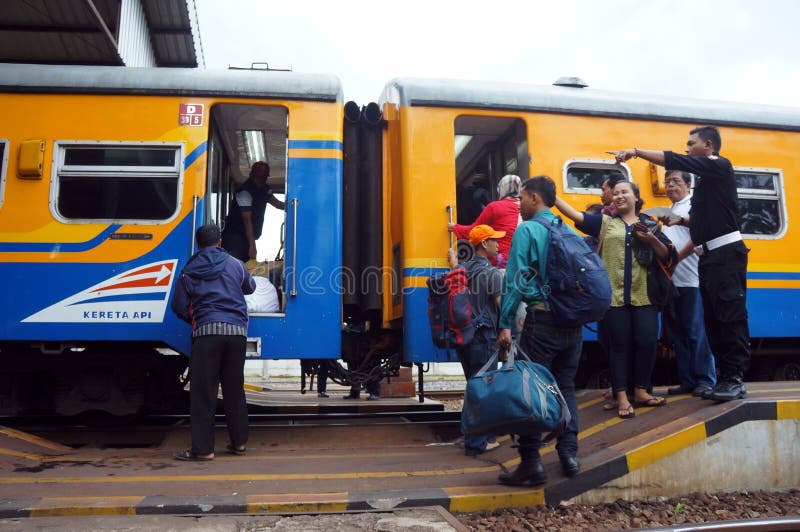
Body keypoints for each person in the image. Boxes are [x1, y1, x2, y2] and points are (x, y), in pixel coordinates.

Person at [609, 125, 750, 402]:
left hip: (725, 255)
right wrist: (682, 221)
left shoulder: (718, 165)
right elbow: (705, 222)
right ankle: (722, 377)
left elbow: (675, 159)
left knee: (729, 318)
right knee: (712, 321)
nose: (687, 148)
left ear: (708, 146)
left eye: (691, 143)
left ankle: (734, 379)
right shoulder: (705, 185)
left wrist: (636, 152)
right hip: (708, 257)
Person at [555, 180, 674, 419]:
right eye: (616, 193)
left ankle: (640, 390)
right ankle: (621, 395)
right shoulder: (605, 223)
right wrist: (553, 196)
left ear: (636, 197)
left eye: (624, 192)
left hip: (645, 296)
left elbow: (667, 256)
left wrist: (651, 238)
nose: (619, 196)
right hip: (614, 297)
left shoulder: (649, 224)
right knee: (619, 347)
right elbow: (576, 216)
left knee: (647, 342)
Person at [496, 176, 583, 486]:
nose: (519, 204)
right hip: (572, 324)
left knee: (531, 392)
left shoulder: (528, 229)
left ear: (534, 198)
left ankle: (531, 463)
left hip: (542, 321)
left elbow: (516, 280)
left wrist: (505, 323)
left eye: (522, 198)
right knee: (566, 386)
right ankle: (569, 454)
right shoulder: (566, 230)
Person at [170, 224, 256, 461]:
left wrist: (195, 320)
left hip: (207, 333)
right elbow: (250, 287)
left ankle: (203, 449)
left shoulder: (189, 270)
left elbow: (177, 305)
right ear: (219, 242)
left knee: (203, 393)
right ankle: (239, 444)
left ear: (198, 244)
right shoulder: (236, 264)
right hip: (237, 333)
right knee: (234, 390)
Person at [450, 224, 505, 456]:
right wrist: (507, 332)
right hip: (484, 338)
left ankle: (474, 435)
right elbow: (502, 307)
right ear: (484, 244)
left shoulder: (461, 270)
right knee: (484, 389)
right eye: (494, 240)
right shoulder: (491, 273)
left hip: (464, 337)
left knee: (473, 386)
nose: (498, 245)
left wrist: (453, 260)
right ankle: (478, 442)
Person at [661, 170, 716, 398]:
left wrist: (675, 260)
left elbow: (699, 235)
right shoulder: (670, 210)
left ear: (687, 184)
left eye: (675, 181)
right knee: (680, 334)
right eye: (667, 182)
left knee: (696, 332)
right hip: (673, 282)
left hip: (692, 279)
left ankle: (706, 379)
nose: (670, 186)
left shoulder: (692, 205)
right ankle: (689, 380)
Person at [449, 174, 522, 268]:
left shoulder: (495, 207)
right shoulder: (526, 208)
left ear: (502, 189)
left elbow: (473, 231)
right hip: (522, 262)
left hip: (501, 262)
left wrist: (454, 227)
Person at [222, 161, 286, 262]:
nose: (262, 180)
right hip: (234, 239)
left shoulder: (264, 190)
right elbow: (247, 220)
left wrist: (295, 206)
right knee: (235, 266)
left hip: (247, 239)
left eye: (264, 178)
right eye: (259, 177)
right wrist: (252, 246)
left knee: (245, 266)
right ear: (252, 175)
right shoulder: (244, 192)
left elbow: (278, 204)